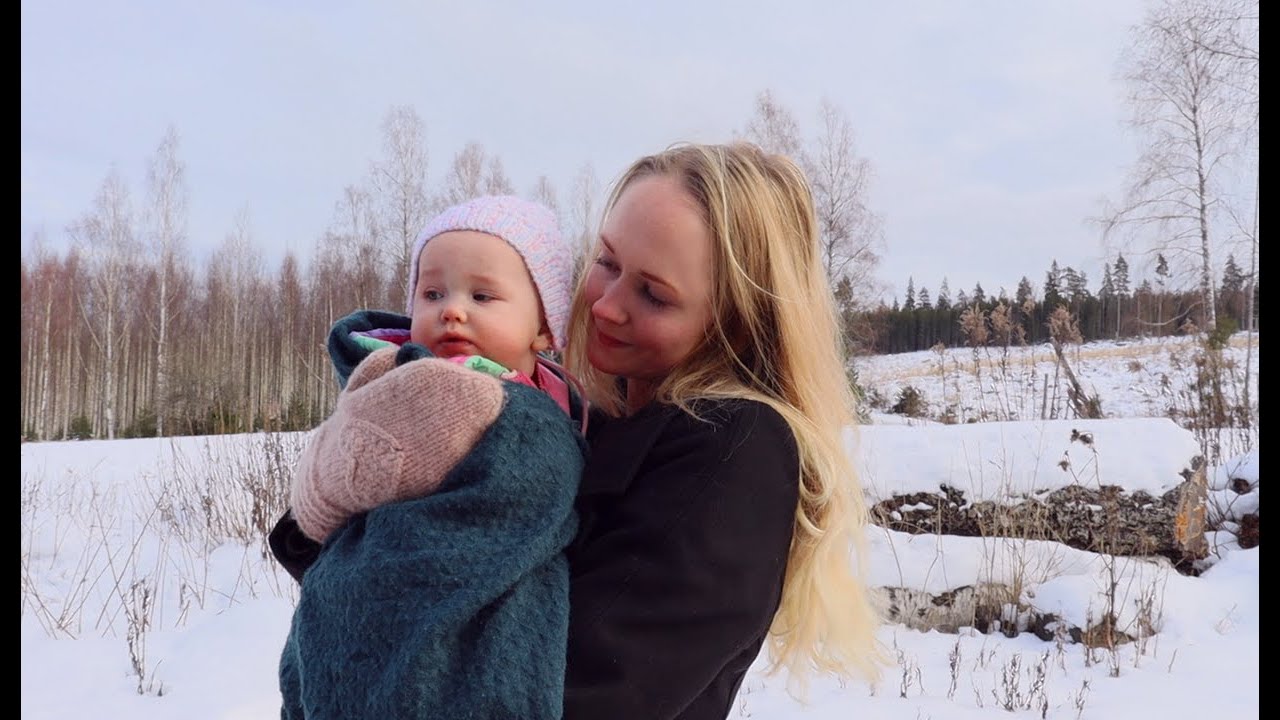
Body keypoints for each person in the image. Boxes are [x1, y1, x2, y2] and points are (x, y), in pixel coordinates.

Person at [271, 142, 886, 719]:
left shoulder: (736, 449)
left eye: (654, 294)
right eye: (607, 262)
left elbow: (596, 690)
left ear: (735, 322)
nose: (606, 305)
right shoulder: (581, 407)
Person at [275, 195, 587, 720]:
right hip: (392, 615)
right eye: (432, 292)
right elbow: (330, 489)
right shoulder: (414, 387)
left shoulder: (561, 397)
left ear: (544, 327)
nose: (452, 309)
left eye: (483, 295)